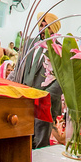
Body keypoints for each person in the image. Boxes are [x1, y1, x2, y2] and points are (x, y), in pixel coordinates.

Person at [19, 12, 63, 149]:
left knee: (40, 143)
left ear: (54, 29)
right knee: (22, 139)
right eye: (41, 25)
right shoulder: (29, 44)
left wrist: (45, 97)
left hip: (45, 104)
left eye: (47, 26)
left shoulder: (60, 50)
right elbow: (18, 68)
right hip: (24, 99)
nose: (43, 29)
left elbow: (62, 80)